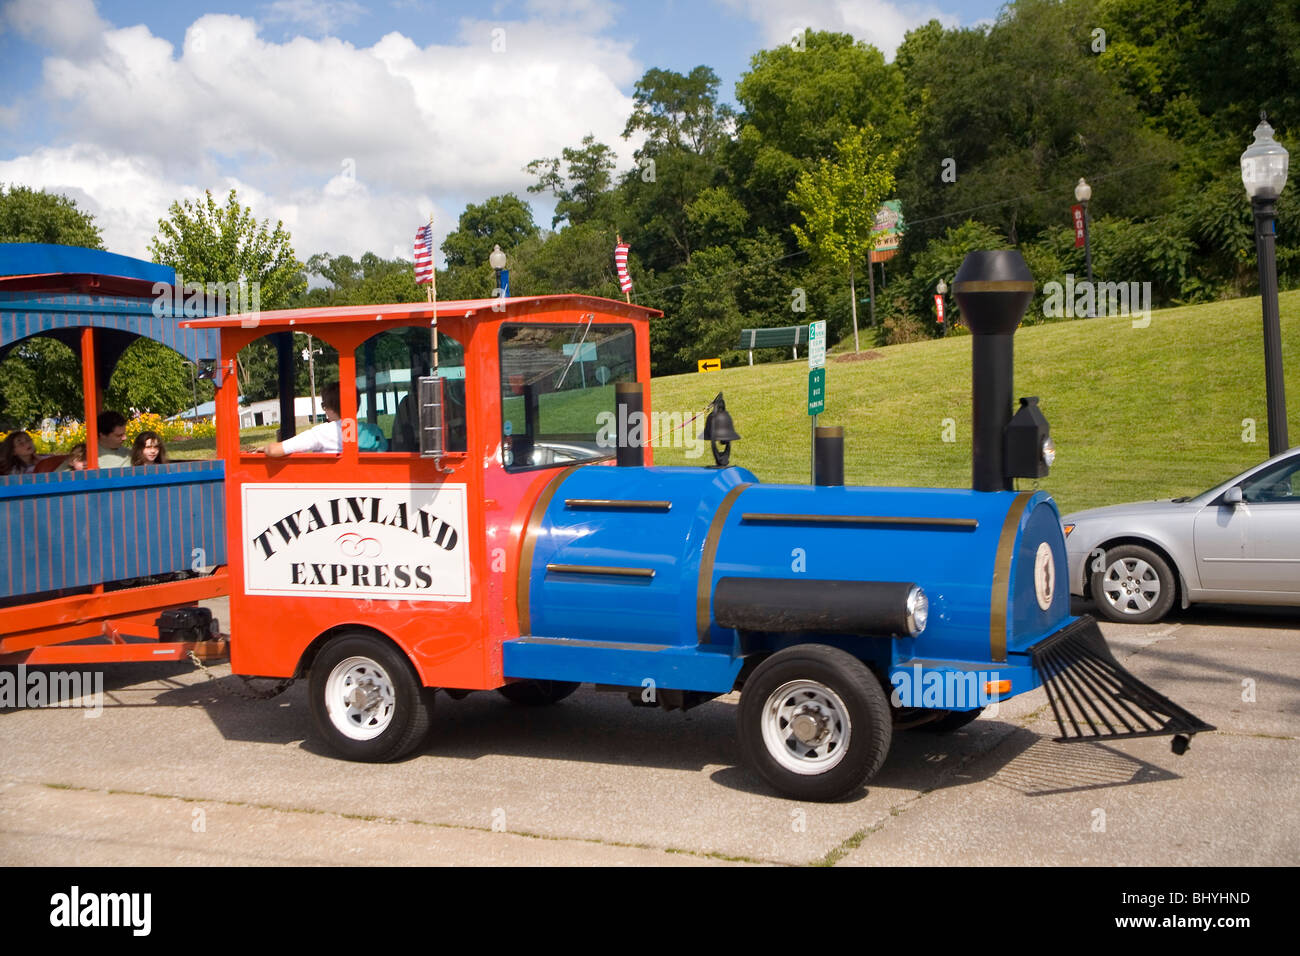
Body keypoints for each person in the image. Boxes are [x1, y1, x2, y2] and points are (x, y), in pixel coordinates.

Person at [264, 382, 342, 456]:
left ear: (331, 407)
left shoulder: (323, 432)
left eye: (324, 405)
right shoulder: (353, 427)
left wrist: (265, 448)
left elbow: (274, 450)